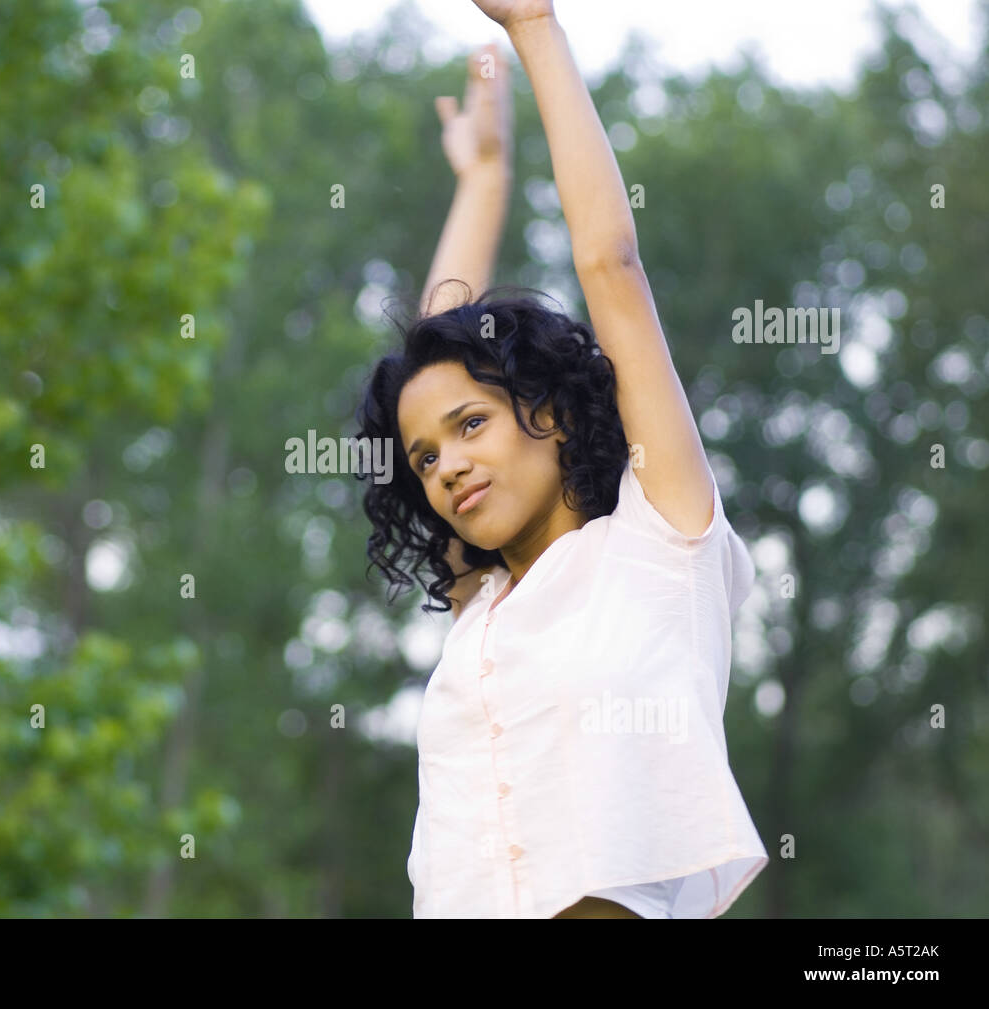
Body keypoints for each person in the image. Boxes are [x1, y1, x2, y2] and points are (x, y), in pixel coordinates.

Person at [354, 1, 768, 918]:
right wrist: (485, 181)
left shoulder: (660, 543)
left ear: (546, 411)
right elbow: (424, 365)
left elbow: (610, 264)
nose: (445, 467)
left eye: (471, 426)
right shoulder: (486, 605)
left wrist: (533, 25)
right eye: (424, 459)